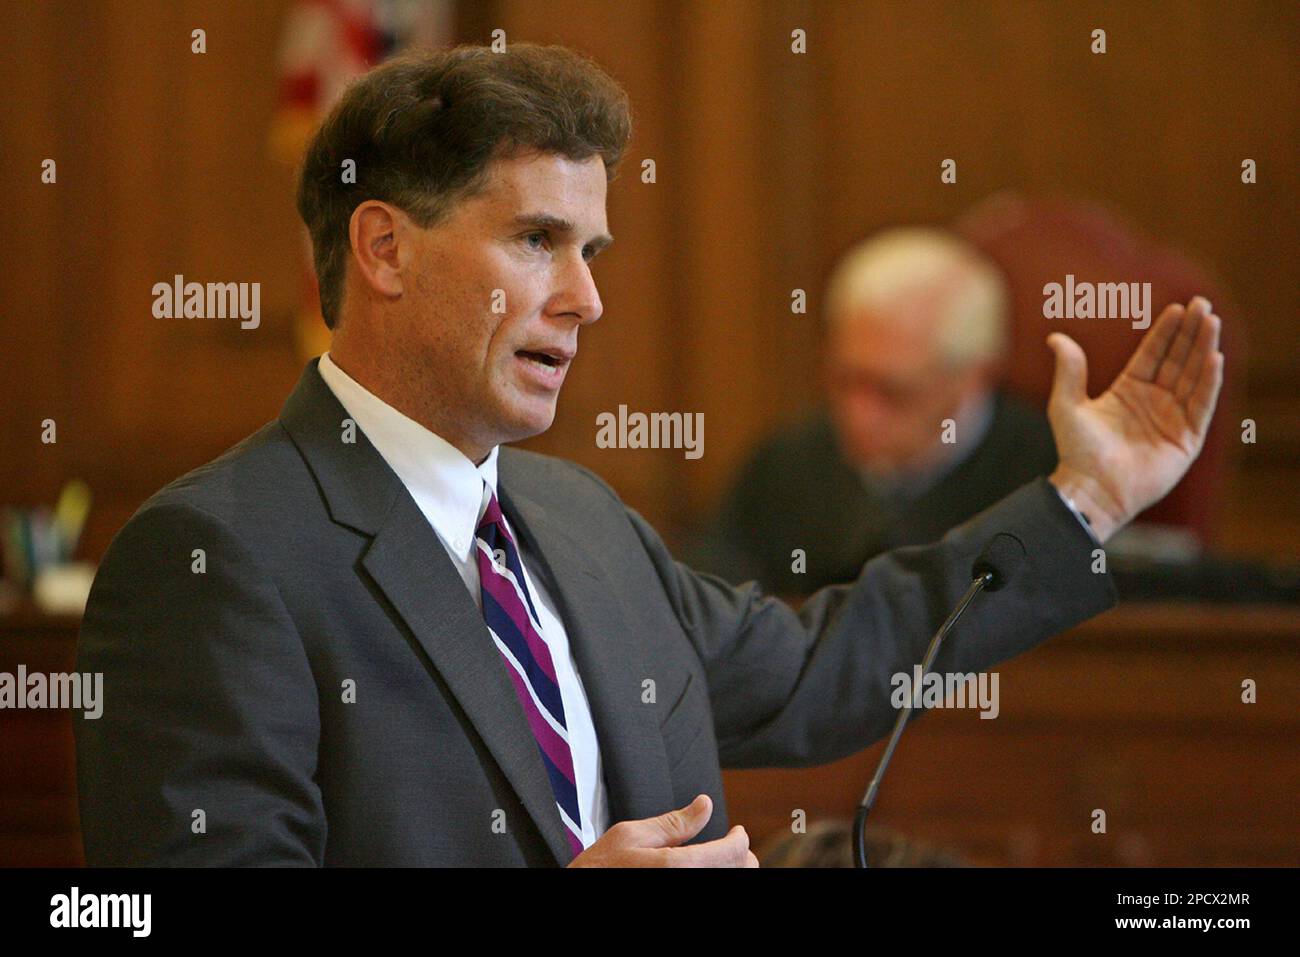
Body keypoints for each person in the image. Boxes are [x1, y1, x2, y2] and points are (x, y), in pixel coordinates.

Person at [74, 43, 1224, 867]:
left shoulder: (578, 520)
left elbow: (826, 666)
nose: (585, 299)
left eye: (593, 251)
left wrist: (1084, 497)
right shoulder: (214, 558)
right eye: (537, 241)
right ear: (383, 247)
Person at [684, 227, 1057, 596]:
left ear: (974, 376)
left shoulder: (1044, 475)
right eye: (844, 380)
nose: (857, 415)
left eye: (892, 392)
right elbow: (708, 610)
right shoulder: (784, 468)